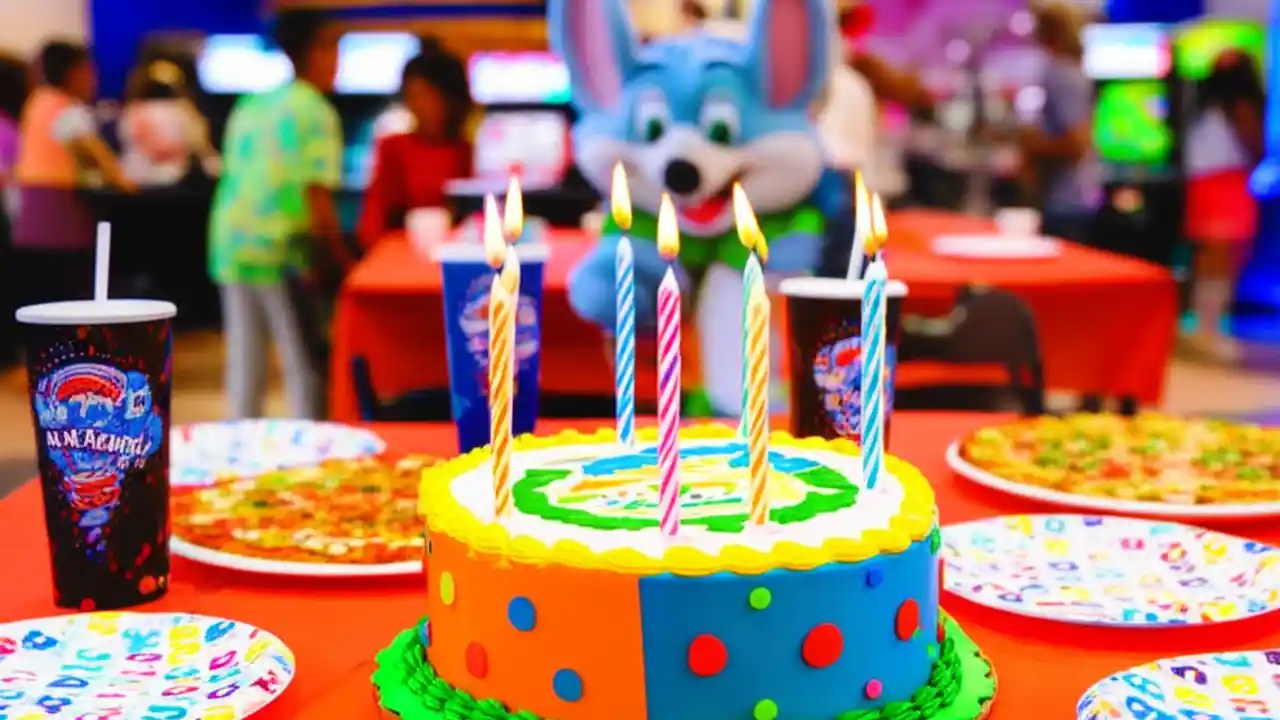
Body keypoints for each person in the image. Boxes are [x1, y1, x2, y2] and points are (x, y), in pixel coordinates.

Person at [208, 10, 352, 419]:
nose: (335, 61)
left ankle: (238, 460)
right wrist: (341, 260)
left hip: (229, 242)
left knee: (244, 367)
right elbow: (316, 195)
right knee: (304, 367)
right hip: (281, 250)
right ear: (309, 52)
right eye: (330, 49)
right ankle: (317, 462)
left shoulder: (253, 103)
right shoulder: (316, 111)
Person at [12, 41, 134, 304]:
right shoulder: (68, 109)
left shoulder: (36, 102)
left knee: (38, 295)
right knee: (70, 295)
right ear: (75, 72)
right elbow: (96, 153)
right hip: (60, 216)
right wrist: (126, 183)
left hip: (29, 218)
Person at [1183, 50, 1265, 360]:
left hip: (1206, 184)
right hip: (1226, 183)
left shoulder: (1203, 107)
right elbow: (1255, 145)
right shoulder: (1240, 108)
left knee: (1211, 259)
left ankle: (1205, 329)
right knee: (1221, 260)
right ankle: (1208, 331)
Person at [357, 39, 472, 250]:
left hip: (456, 256)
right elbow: (373, 219)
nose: (418, 106)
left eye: (426, 96)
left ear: (452, 99)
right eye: (412, 97)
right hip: (401, 258)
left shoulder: (467, 152)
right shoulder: (393, 147)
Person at [1018, 3, 1098, 243]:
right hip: (1073, 199)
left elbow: (1078, 143)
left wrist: (1033, 145)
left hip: (1065, 203)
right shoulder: (1071, 71)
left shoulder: (1060, 75)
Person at [118, 59, 219, 187]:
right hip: (173, 186)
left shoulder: (130, 111)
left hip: (134, 183)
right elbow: (200, 147)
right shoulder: (185, 111)